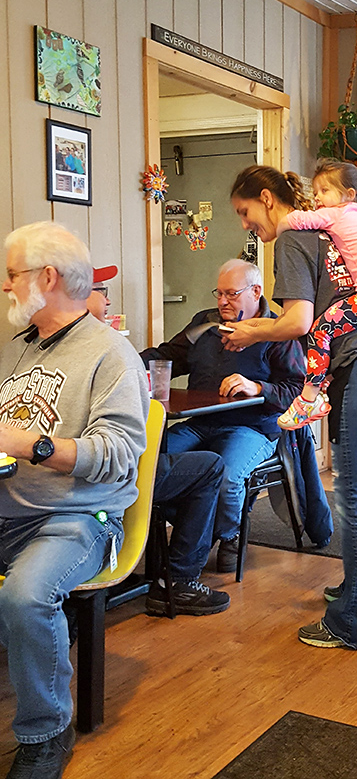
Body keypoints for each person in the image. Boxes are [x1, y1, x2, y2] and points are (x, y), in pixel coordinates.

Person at [228, 165, 357, 650]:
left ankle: (356, 622)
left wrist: (250, 333)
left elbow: (298, 321)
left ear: (267, 199)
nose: (245, 224)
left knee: (354, 489)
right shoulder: (325, 226)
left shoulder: (291, 236)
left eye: (245, 212)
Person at [0, 222, 148, 778]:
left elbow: (118, 453)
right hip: (8, 508)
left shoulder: (111, 354)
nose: (6, 286)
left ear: (47, 277)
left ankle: (46, 733)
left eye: (11, 274)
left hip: (77, 518)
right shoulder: (16, 350)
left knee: (26, 596)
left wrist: (31, 444)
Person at [140, 259, 307, 573]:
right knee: (148, 459)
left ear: (255, 292)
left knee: (228, 477)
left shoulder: (279, 331)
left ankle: (230, 534)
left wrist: (257, 387)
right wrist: (124, 361)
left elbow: (296, 391)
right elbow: (168, 355)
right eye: (219, 293)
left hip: (253, 427)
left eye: (231, 294)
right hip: (200, 423)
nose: (222, 301)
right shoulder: (205, 324)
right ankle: (193, 530)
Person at [86, 268, 231, 616]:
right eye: (100, 290)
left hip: (247, 422)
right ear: (75, 293)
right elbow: (168, 356)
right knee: (209, 467)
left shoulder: (34, 345)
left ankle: (222, 540)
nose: (108, 300)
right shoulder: (104, 345)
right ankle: (177, 581)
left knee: (209, 464)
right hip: (104, 471)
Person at [274, 159, 357, 430]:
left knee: (320, 329)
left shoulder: (339, 214)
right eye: (316, 192)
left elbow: (297, 220)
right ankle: (321, 385)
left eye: (324, 191)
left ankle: (308, 399)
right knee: (333, 327)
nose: (317, 198)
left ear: (349, 195)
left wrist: (278, 228)